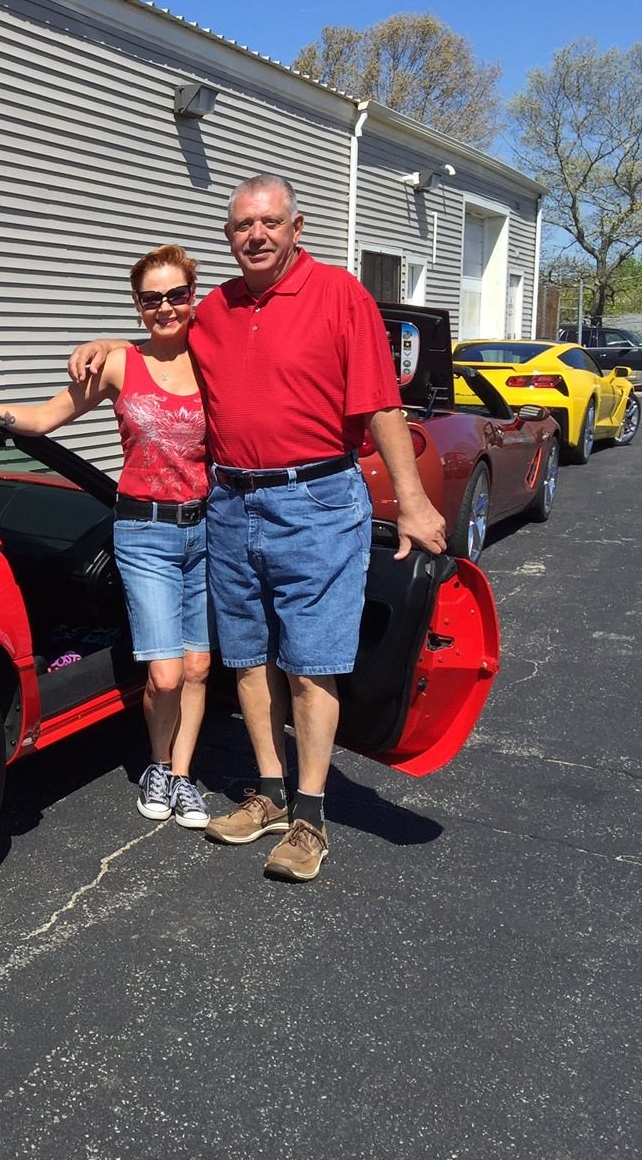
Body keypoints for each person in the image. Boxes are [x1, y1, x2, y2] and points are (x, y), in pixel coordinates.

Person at [69, 174, 445, 882]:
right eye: (243, 225)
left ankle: (310, 816)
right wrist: (108, 342)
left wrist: (413, 499)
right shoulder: (216, 306)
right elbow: (164, 339)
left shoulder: (340, 296)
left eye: (270, 222)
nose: (257, 235)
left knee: (309, 663)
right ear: (229, 237)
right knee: (247, 658)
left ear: (296, 229)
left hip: (316, 500)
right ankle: (269, 792)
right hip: (230, 502)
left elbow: (380, 405)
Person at [0, 245, 213, 829]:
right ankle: (158, 765)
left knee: (198, 669)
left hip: (206, 531)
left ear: (194, 296)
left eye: (176, 295)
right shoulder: (120, 366)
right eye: (151, 299)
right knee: (166, 674)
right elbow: (46, 418)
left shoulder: (213, 359)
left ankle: (183, 775)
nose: (166, 308)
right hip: (145, 533)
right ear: (138, 305)